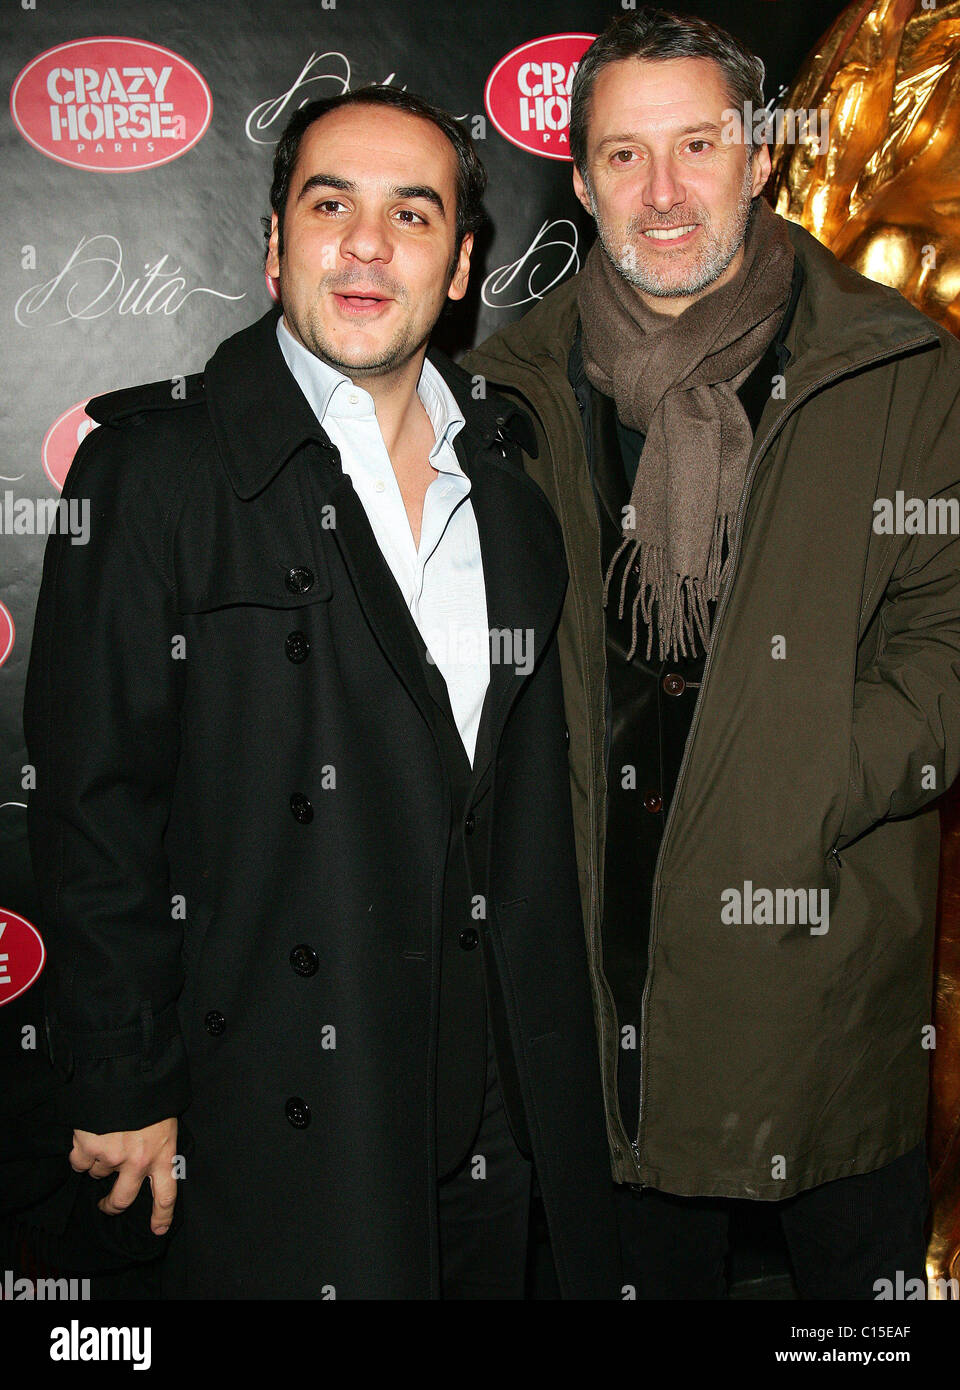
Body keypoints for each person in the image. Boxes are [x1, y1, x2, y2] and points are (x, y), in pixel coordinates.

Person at [22, 85, 621, 1300]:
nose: (365, 243)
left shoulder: (513, 481)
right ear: (274, 245)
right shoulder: (155, 470)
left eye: (412, 214)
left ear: (459, 268)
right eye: (330, 203)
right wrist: (125, 1082)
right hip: (277, 1091)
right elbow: (95, 807)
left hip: (492, 1104)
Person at [464, 8, 960, 1299]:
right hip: (602, 1021)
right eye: (625, 156)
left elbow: (949, 638)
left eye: (698, 144)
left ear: (760, 158)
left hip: (824, 995)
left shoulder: (897, 369)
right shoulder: (510, 390)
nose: (665, 191)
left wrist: (803, 776)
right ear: (578, 180)